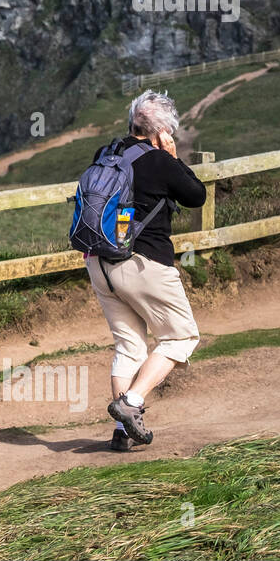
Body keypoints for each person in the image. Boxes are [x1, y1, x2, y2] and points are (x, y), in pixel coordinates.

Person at [86, 91, 206, 450]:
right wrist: (172, 157)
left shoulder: (105, 154)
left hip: (98, 263)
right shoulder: (159, 160)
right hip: (143, 264)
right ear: (162, 132)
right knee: (180, 337)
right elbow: (196, 195)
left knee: (130, 346)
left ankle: (123, 434)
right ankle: (131, 403)